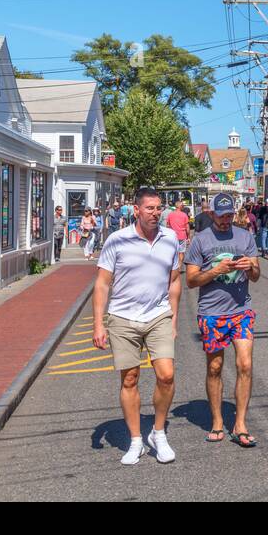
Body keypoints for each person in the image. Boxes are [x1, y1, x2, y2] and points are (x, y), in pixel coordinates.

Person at [91, 187, 181, 465]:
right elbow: (102, 283)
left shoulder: (171, 239)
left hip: (159, 316)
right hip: (123, 318)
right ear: (137, 210)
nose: (156, 213)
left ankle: (158, 432)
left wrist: (174, 317)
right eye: (150, 208)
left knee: (166, 375)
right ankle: (135, 441)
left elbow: (174, 280)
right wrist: (98, 324)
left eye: (159, 208)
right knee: (129, 378)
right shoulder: (117, 240)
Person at [185, 194, 261, 448]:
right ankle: (217, 421)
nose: (226, 220)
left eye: (229, 215)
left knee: (245, 365)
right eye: (221, 215)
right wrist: (217, 271)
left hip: (241, 310)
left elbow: (257, 275)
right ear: (212, 214)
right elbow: (191, 280)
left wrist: (249, 267)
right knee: (215, 367)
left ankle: (240, 424)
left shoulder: (245, 237)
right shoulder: (200, 240)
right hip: (212, 313)